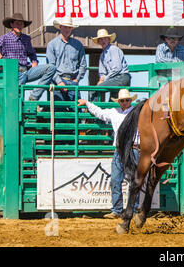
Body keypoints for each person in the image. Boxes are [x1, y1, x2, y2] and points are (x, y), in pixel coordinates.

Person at [77, 89, 140, 219]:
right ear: (119, 102)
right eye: (122, 100)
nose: (124, 102)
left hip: (133, 149)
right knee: (116, 180)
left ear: (130, 101)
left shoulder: (137, 112)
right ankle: (117, 210)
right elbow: (99, 113)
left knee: (133, 181)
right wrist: (87, 103)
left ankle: (132, 209)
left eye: (127, 100)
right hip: (120, 150)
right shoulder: (113, 112)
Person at [0, 13, 56, 101]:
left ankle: (33, 97)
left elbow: (32, 53)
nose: (20, 26)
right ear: (11, 24)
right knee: (17, 99)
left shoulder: (26, 38)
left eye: (21, 24)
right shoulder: (4, 38)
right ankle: (18, 108)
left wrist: (35, 62)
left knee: (51, 68)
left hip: (26, 71)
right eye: (17, 23)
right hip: (12, 73)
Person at [46, 17, 87, 103]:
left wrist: (77, 79)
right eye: (65, 27)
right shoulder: (52, 45)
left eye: (69, 27)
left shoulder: (78, 45)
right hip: (57, 82)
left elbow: (83, 64)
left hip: (73, 81)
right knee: (58, 110)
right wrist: (59, 82)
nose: (67, 29)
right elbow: (50, 67)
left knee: (76, 110)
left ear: (72, 29)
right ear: (60, 27)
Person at [90, 29, 131, 101]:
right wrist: (102, 79)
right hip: (114, 79)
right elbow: (102, 72)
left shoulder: (113, 49)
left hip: (122, 77)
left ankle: (91, 108)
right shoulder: (102, 55)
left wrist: (104, 79)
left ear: (109, 40)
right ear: (98, 42)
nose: (103, 41)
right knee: (112, 101)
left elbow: (117, 68)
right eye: (101, 39)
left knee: (95, 89)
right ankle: (97, 109)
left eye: (105, 39)